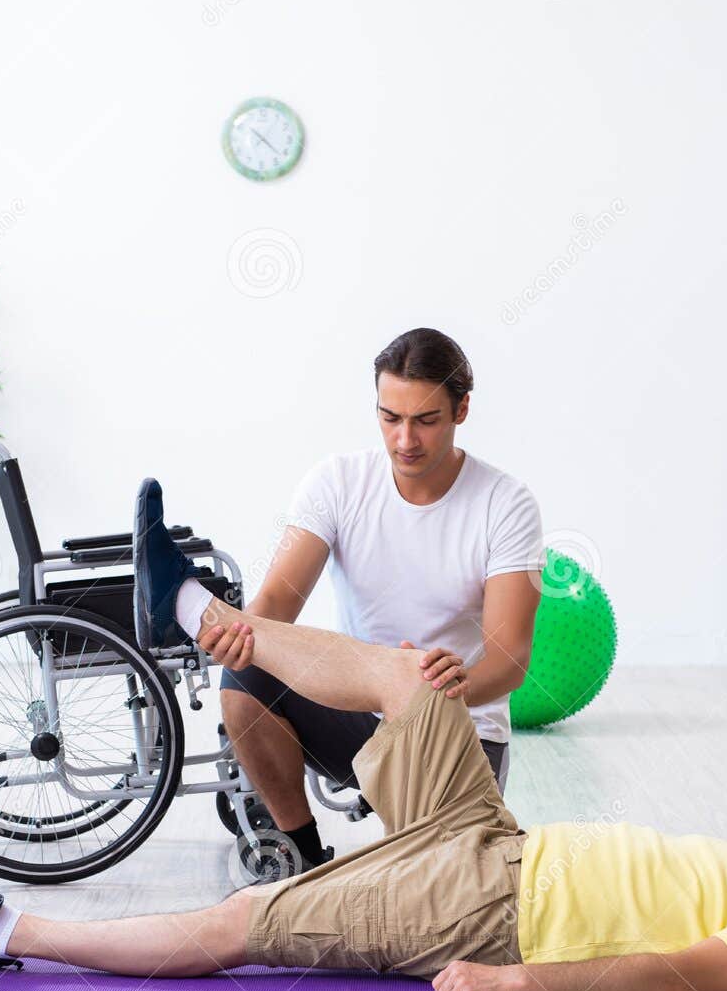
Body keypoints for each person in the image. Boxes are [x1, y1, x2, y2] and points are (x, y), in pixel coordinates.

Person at [0, 481, 727, 991]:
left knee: (246, 920)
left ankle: (6, 933)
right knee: (407, 676)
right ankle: (186, 606)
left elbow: (678, 975)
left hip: (487, 908)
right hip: (500, 843)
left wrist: (514, 982)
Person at [217, 327, 544, 871]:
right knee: (247, 674)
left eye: (426, 420)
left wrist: (454, 686)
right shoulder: (338, 481)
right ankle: (300, 852)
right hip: (357, 714)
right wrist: (242, 634)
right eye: (390, 418)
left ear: (462, 409)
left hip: (455, 730)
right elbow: (278, 597)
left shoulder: (506, 503)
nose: (405, 441)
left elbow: (510, 657)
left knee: (435, 901)